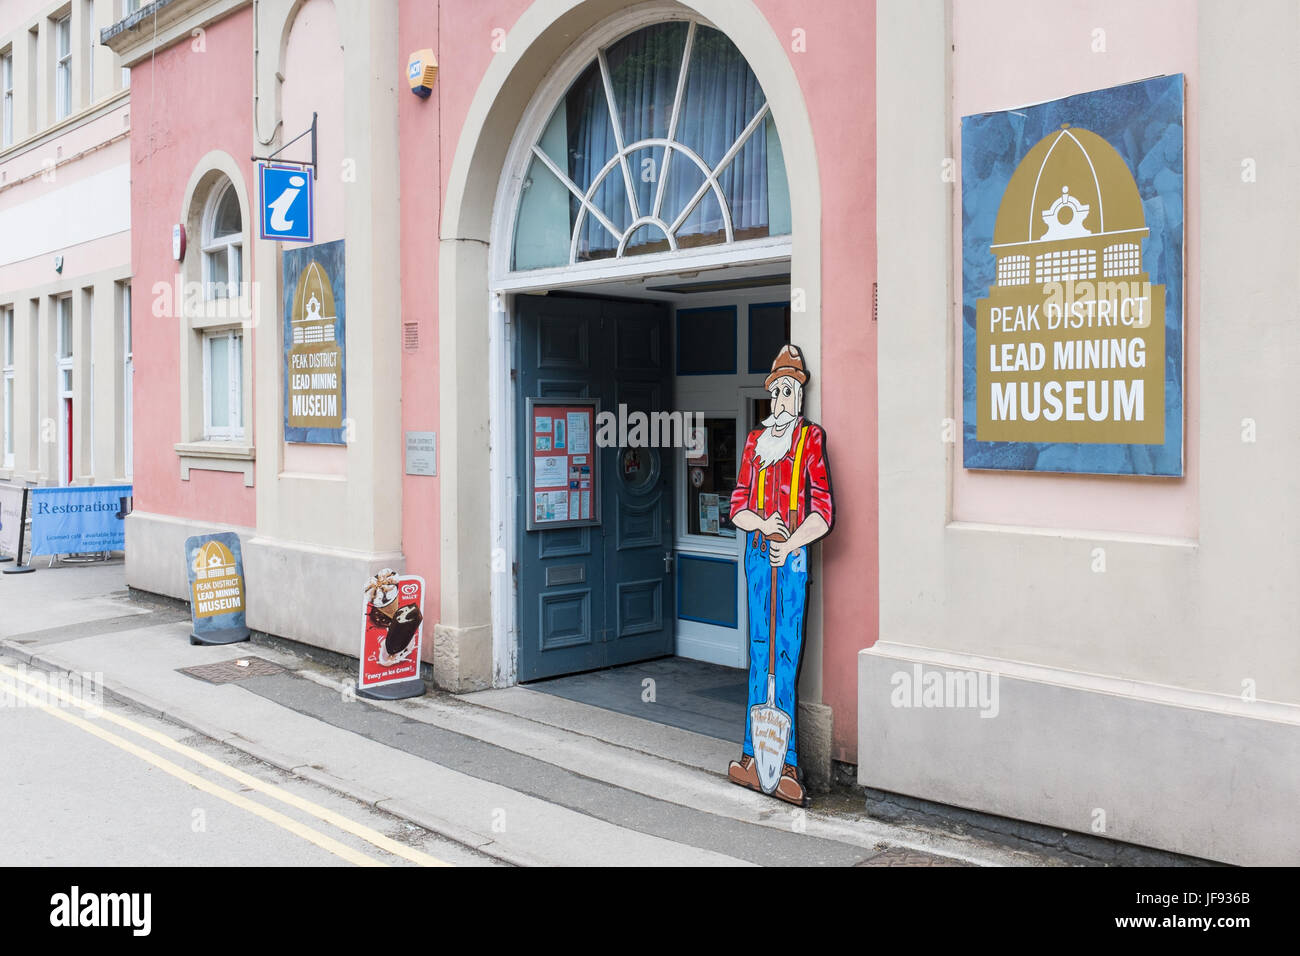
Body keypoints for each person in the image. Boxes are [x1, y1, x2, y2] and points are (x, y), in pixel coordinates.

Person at [727, 344, 834, 806]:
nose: (782, 401)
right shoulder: (756, 442)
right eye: (776, 392)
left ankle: (786, 761)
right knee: (759, 649)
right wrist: (761, 526)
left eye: (789, 391)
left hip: (790, 562)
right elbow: (736, 506)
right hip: (756, 556)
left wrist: (788, 543)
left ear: (800, 395)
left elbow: (823, 513)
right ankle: (753, 756)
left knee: (784, 653)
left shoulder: (809, 441)